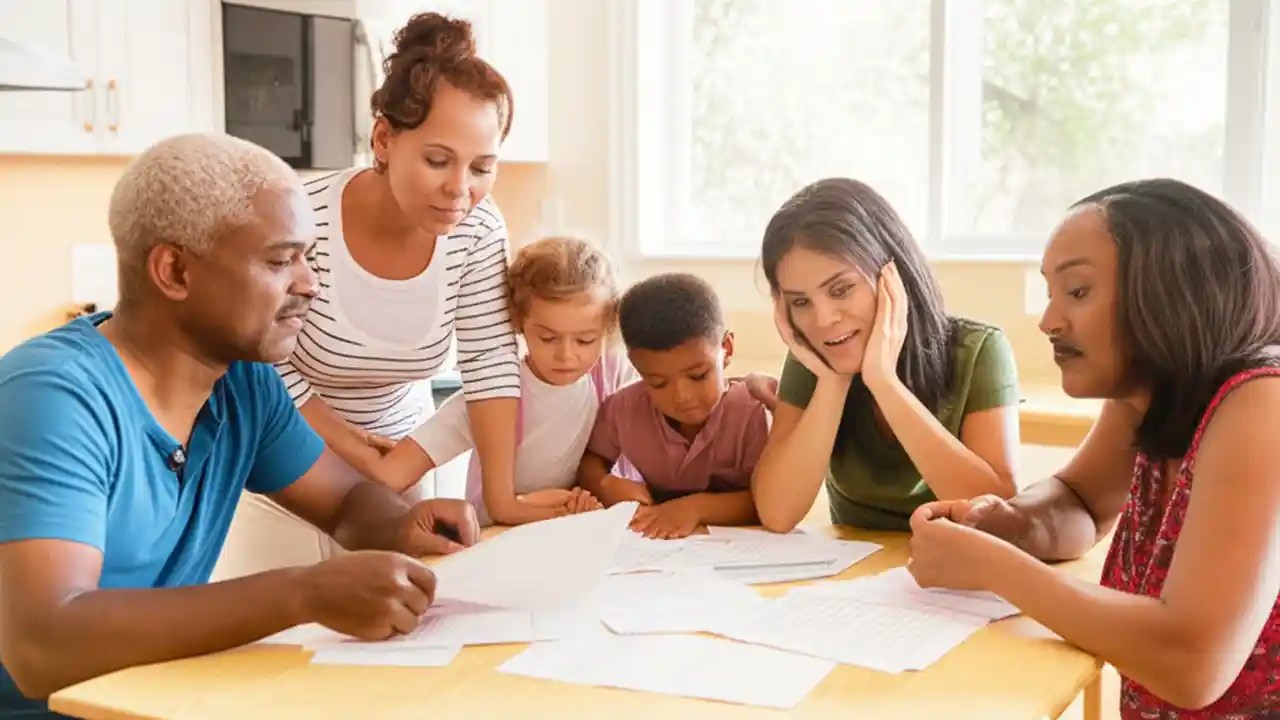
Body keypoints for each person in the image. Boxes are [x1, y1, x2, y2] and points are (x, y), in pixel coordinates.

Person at [0, 133, 479, 718]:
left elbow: (347, 502)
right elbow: (41, 646)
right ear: (174, 270)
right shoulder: (54, 396)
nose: (309, 284)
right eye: (280, 261)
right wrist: (303, 591)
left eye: (308, 257)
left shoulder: (243, 384)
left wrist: (406, 526)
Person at [908, 179, 1280, 718]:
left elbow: (1193, 663)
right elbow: (1079, 502)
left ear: (1170, 294)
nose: (1049, 321)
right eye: (1051, 294)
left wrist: (993, 565)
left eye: (1077, 292)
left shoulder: (1263, 405)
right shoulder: (1144, 396)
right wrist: (1007, 523)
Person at [752, 177, 1021, 532]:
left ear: (891, 275)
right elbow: (777, 513)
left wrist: (885, 384)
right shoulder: (813, 360)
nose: (823, 320)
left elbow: (996, 517)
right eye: (800, 302)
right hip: (858, 575)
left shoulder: (980, 351)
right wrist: (833, 382)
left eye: (841, 289)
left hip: (953, 572)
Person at [370, 236, 640, 525]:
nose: (566, 355)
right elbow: (396, 470)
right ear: (518, 321)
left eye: (585, 340)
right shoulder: (495, 393)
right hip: (496, 534)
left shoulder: (609, 375)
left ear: (607, 327)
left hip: (572, 527)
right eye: (547, 338)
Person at [579, 273, 770, 539]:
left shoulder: (753, 413)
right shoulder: (625, 409)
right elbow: (591, 460)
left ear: (726, 349)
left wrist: (697, 508)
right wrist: (604, 483)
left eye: (698, 375)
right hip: (661, 551)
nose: (682, 397)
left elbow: (770, 502)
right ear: (638, 369)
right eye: (657, 383)